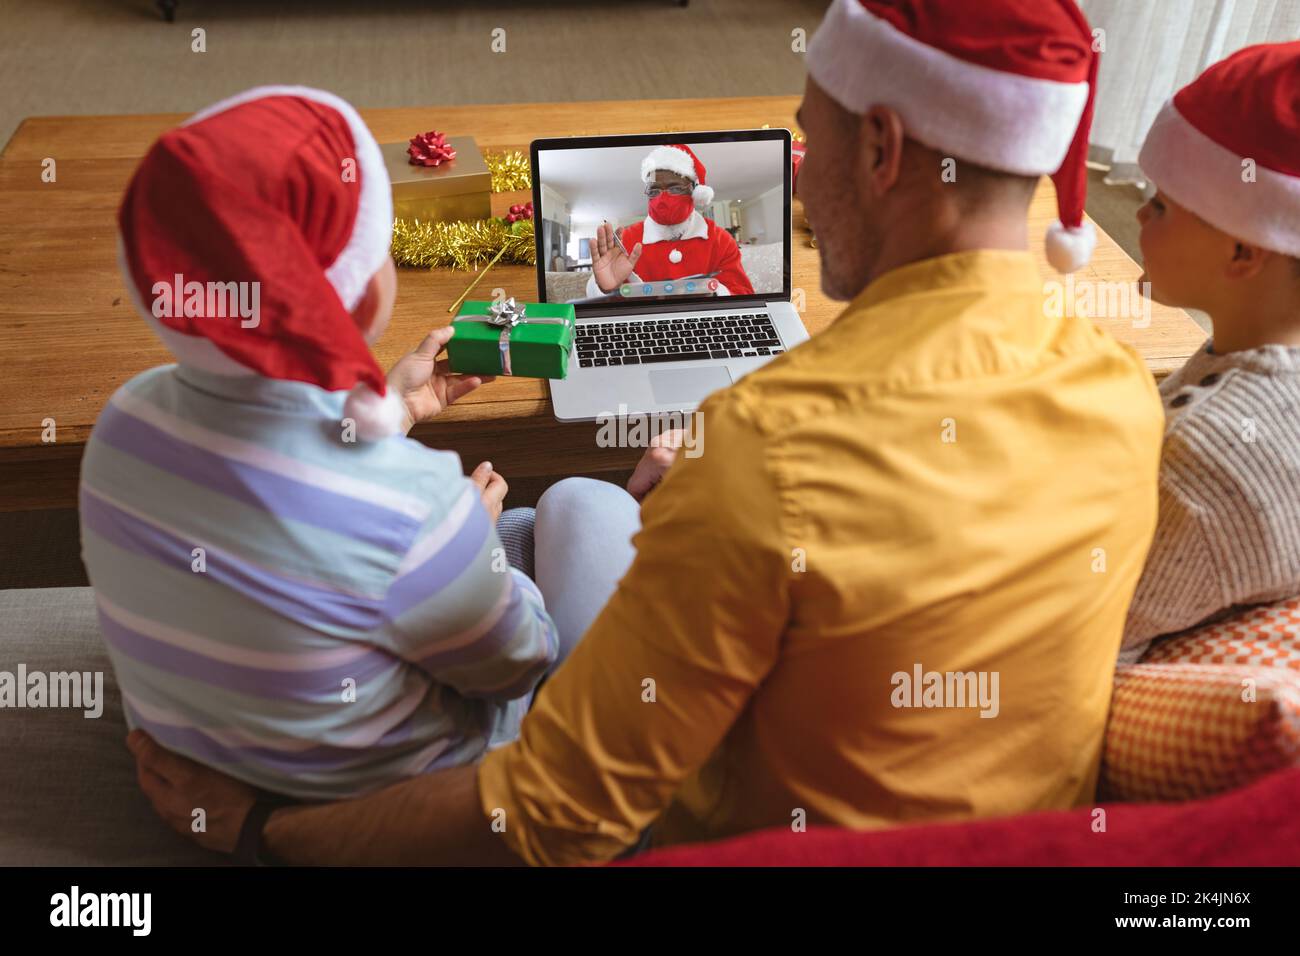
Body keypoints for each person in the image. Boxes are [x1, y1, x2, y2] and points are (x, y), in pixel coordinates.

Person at [129, 0, 1164, 866]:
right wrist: (697, 517)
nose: (798, 178)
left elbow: (550, 814)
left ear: (885, 147)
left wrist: (262, 826)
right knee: (583, 504)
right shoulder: (1121, 390)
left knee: (561, 515)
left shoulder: (766, 445)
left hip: (728, 840)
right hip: (1012, 840)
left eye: (812, 138)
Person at [83, 86, 559, 801]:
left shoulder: (124, 421)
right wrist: (475, 546)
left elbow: (302, 497)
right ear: (363, 294)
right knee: (563, 519)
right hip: (396, 805)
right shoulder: (420, 507)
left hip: (203, 768)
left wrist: (393, 412)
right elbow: (519, 665)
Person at [1118, 42, 1300, 664]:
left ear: (1245, 253)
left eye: (1162, 204)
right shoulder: (1262, 357)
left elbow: (1085, 637)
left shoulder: (1206, 460)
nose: (1140, 212)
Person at [587, 143, 755, 297]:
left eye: (675, 188)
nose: (662, 198)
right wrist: (604, 288)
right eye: (654, 190)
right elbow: (604, 306)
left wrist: (712, 292)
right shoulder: (626, 240)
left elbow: (743, 294)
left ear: (695, 192)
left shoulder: (720, 239)